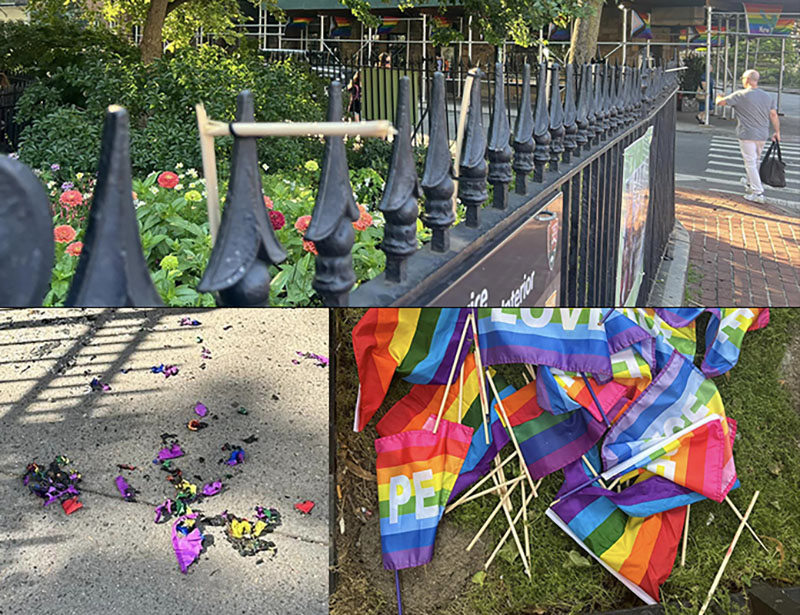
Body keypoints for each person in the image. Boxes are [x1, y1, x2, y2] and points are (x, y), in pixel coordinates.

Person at [716, 69, 781, 204]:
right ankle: (752, 186)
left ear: (747, 80)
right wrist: (777, 131)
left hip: (747, 133)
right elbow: (773, 115)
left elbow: (721, 103)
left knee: (750, 162)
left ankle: (758, 192)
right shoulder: (767, 96)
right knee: (755, 161)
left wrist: (718, 96)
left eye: (743, 78)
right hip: (762, 134)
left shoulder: (740, 95)